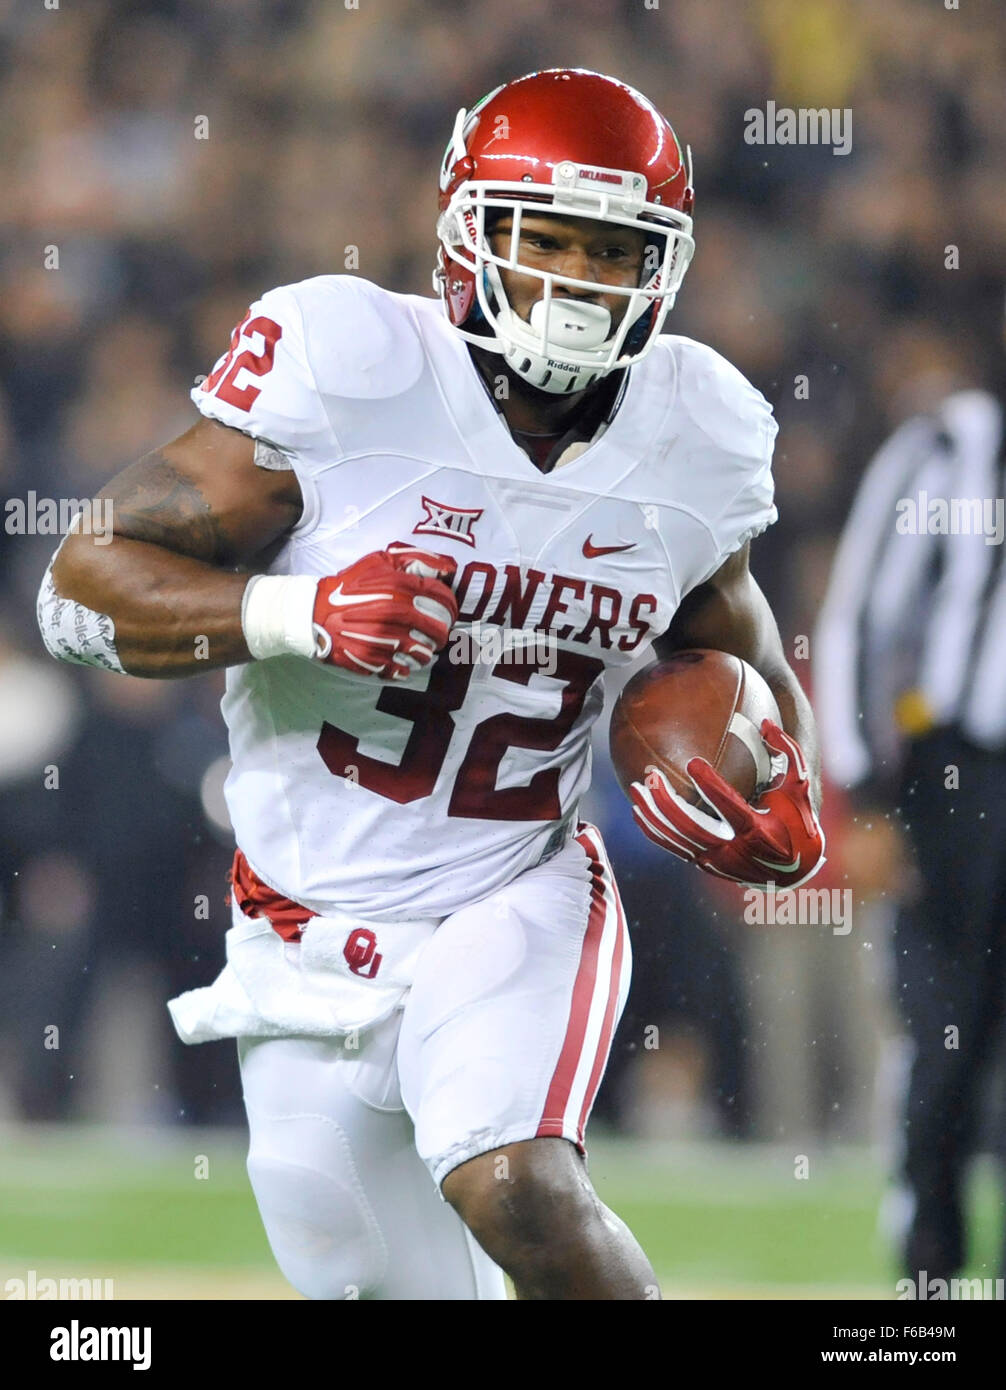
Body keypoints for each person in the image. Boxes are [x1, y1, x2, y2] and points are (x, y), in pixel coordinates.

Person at [38, 68, 824, 1301]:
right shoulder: (351, 367)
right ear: (468, 230)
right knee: (371, 1281)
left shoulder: (696, 430)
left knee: (515, 1182)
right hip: (303, 924)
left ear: (662, 266)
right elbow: (73, 594)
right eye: (545, 235)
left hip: (517, 885)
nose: (576, 280)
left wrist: (780, 797)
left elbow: (748, 666)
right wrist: (296, 612)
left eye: (614, 249)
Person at [815, 379, 1006, 1286]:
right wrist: (867, 796)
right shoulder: (943, 447)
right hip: (961, 784)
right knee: (944, 1041)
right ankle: (925, 1293)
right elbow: (855, 622)